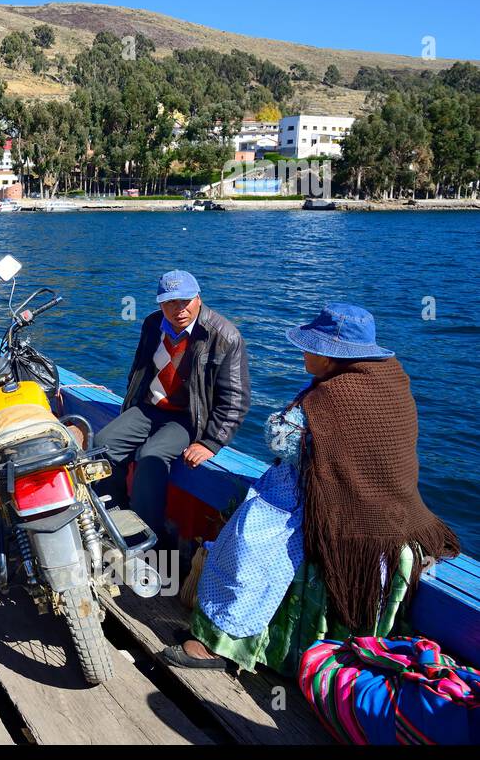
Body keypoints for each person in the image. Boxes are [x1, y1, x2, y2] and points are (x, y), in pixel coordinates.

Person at [163, 303, 461, 672]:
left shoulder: (332, 396)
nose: (305, 352)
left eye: (313, 347)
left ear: (332, 355)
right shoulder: (392, 380)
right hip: (391, 504)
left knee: (250, 538)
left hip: (336, 500)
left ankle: (220, 644)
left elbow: (281, 440)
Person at [94, 270, 250, 546]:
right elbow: (139, 371)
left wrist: (211, 442)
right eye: (170, 303)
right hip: (149, 408)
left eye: (185, 301)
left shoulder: (224, 336)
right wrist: (129, 409)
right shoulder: (152, 325)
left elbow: (235, 399)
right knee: (103, 444)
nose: (178, 310)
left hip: (188, 417)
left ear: (198, 299)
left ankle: (146, 537)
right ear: (159, 304)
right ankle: (112, 516)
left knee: (151, 457)